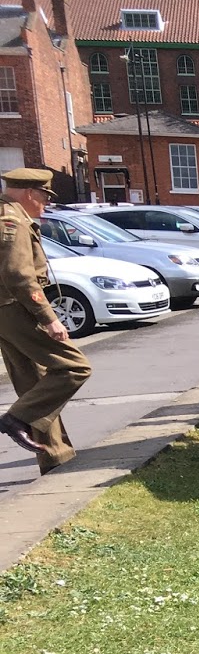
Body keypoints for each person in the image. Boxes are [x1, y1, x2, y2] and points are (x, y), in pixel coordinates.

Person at [0, 168, 92, 474]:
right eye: (44, 197)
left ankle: (55, 457)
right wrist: (49, 318)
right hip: (16, 309)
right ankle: (16, 418)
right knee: (74, 367)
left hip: (7, 310)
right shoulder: (11, 220)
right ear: (29, 193)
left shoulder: (9, 215)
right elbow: (18, 275)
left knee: (35, 383)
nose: (45, 204)